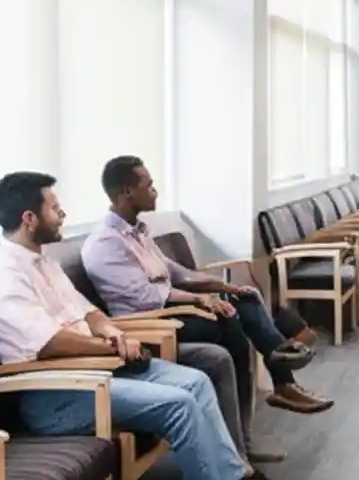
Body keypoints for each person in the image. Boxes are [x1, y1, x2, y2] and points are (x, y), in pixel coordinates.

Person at [0, 172, 298, 480]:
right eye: (55, 208)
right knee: (179, 404)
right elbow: (49, 343)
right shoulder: (0, 278)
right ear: (29, 218)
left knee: (199, 381)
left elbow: (89, 313)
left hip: (99, 370)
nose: (62, 214)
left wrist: (112, 333)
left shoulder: (44, 263)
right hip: (60, 394)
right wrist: (112, 345)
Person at [83, 156, 334, 416]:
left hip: (172, 309)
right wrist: (199, 299)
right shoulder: (105, 243)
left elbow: (173, 271)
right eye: (148, 185)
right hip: (150, 323)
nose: (154, 191)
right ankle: (268, 392)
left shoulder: (138, 231)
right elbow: (147, 296)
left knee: (245, 297)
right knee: (230, 318)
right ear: (126, 192)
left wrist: (220, 287)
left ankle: (282, 378)